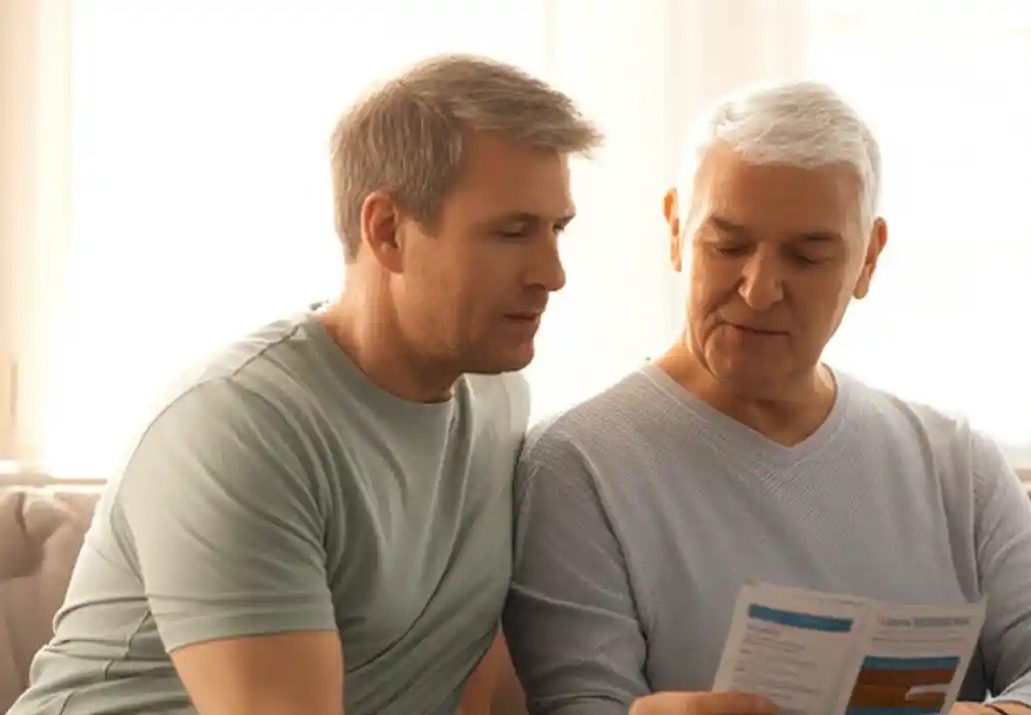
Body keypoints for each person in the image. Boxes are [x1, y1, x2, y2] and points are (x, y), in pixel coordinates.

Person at [502, 81, 1031, 715]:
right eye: (727, 246)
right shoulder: (576, 465)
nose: (758, 290)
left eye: (808, 256)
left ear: (867, 259)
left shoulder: (952, 462)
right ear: (675, 229)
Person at [10, 54, 601, 715]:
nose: (552, 273)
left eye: (557, 229)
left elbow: (458, 661)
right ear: (388, 232)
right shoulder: (239, 426)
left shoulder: (497, 398)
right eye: (512, 233)